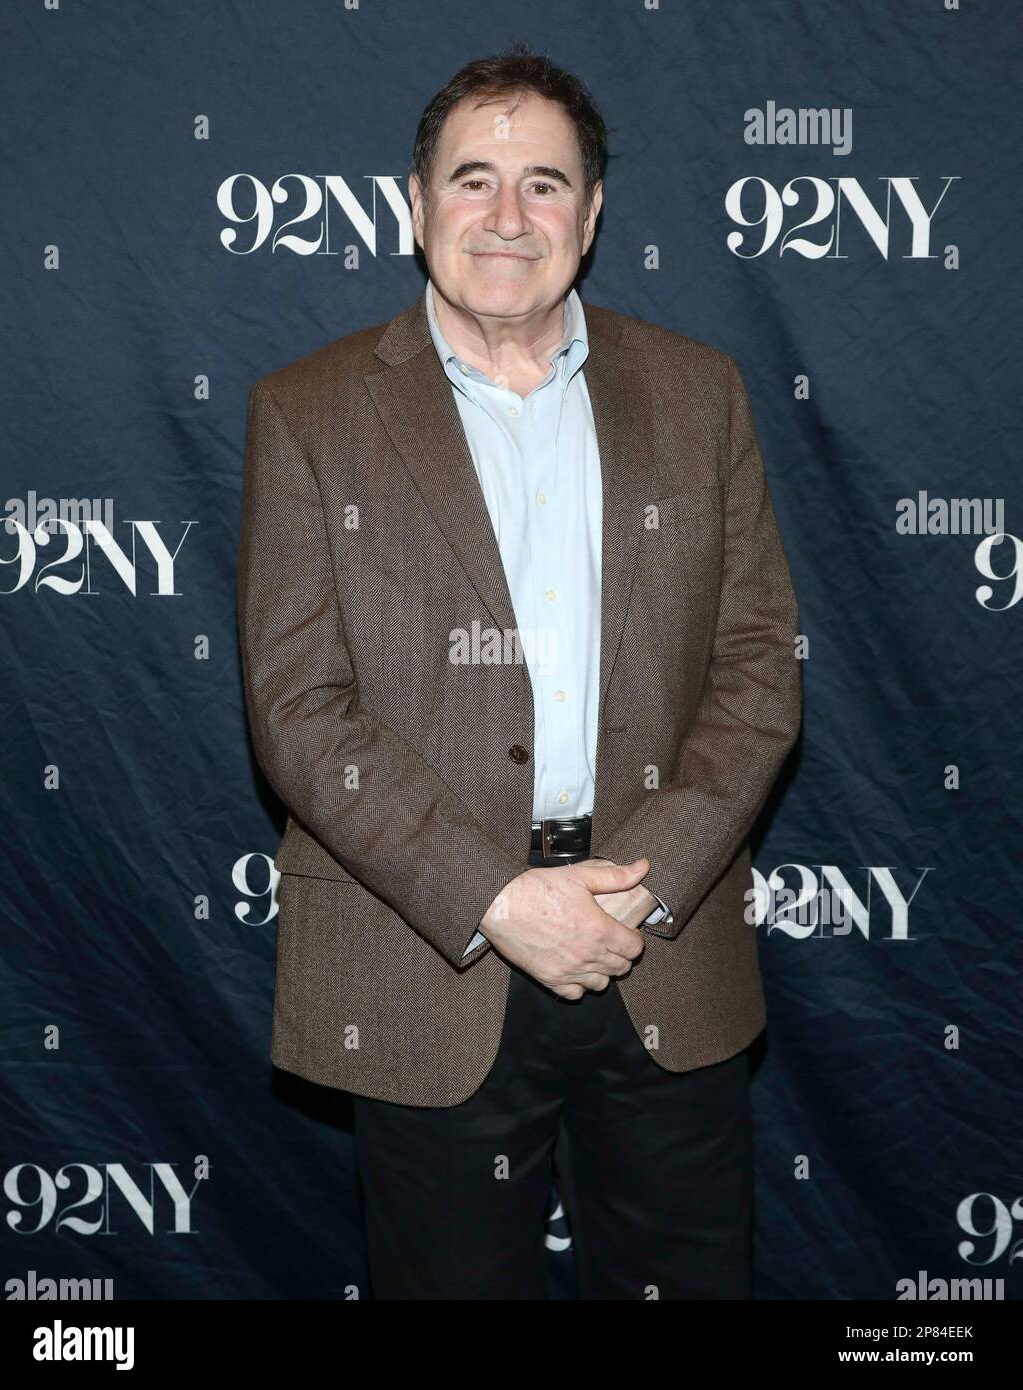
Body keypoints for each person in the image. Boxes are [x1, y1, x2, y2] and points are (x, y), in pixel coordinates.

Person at [236, 42, 801, 1299]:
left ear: (591, 216)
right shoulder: (307, 412)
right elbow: (297, 706)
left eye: (543, 183)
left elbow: (759, 666)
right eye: (472, 177)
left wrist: (631, 897)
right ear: (413, 204)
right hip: (433, 959)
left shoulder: (699, 394)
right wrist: (496, 895)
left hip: (660, 948)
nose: (506, 215)